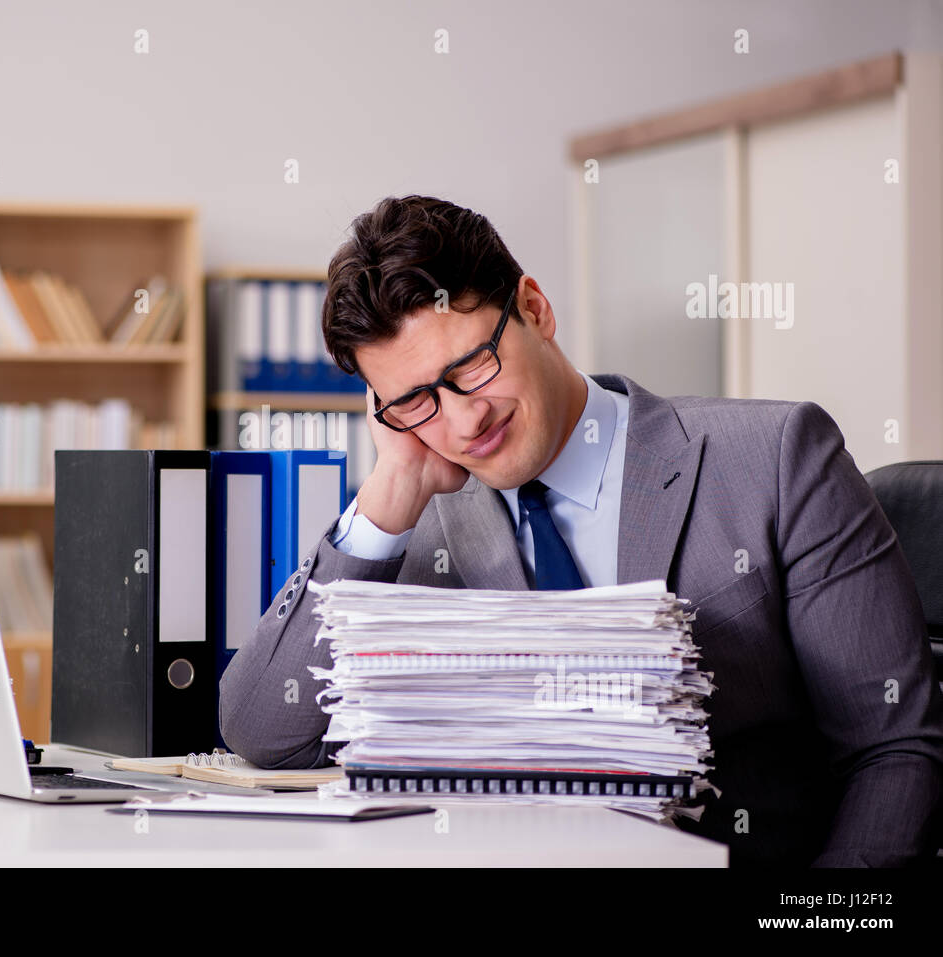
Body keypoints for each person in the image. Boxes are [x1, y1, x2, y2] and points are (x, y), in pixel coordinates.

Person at [217, 194, 943, 867]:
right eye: (414, 401)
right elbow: (262, 729)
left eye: (472, 365)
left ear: (534, 307)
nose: (464, 421)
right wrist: (388, 493)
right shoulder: (427, 520)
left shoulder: (776, 457)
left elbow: (895, 751)